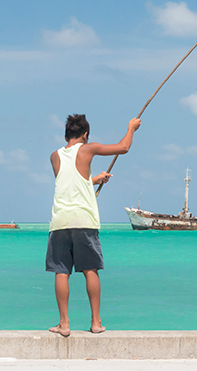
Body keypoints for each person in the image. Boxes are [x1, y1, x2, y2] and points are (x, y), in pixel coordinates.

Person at [46, 114, 141, 336]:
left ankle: (64, 324)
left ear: (66, 134)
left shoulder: (54, 156)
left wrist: (94, 180)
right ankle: (96, 322)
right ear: (85, 134)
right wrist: (131, 127)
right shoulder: (87, 149)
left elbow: (70, 182)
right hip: (83, 220)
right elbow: (123, 147)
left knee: (61, 272)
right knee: (90, 270)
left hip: (60, 221)